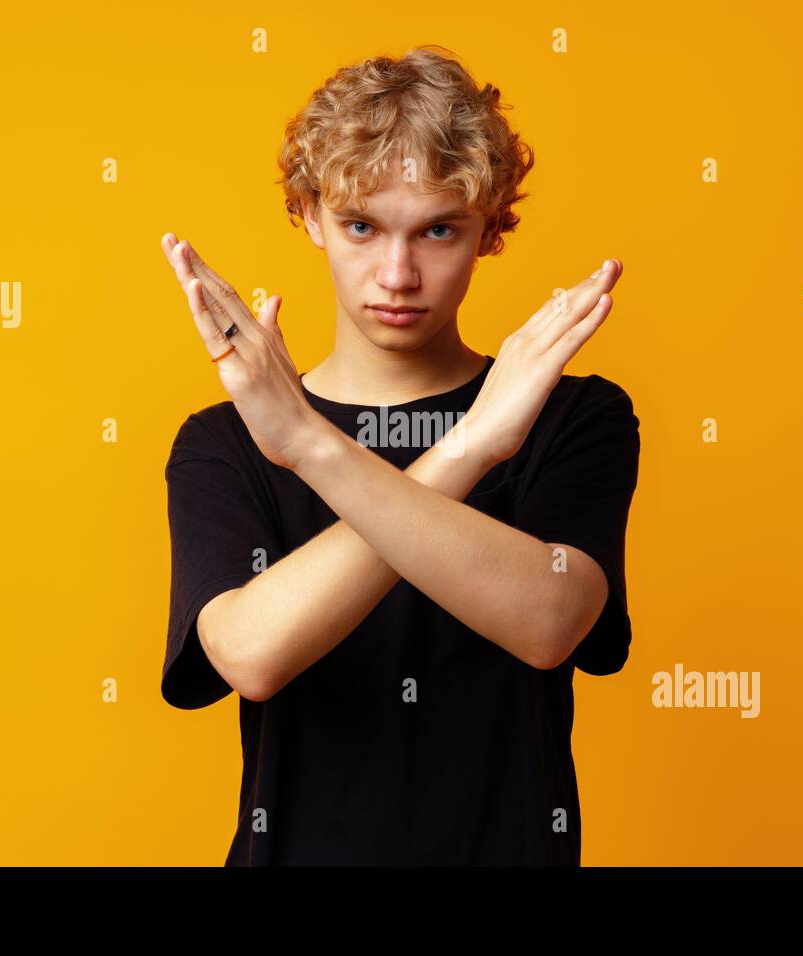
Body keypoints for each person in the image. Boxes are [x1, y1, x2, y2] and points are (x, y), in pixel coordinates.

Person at [158, 45, 641, 865]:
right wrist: (469, 448)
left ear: (490, 228)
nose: (398, 273)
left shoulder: (575, 416)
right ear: (309, 216)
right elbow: (250, 655)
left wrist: (313, 447)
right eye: (360, 226)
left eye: (439, 230)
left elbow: (548, 624)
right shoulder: (224, 442)